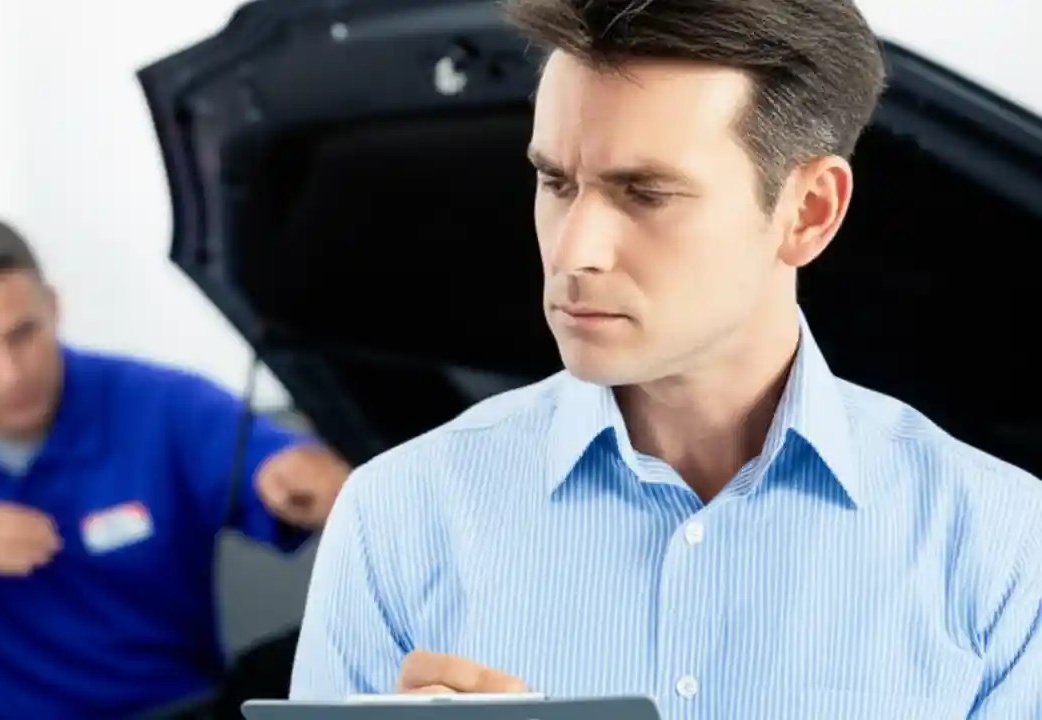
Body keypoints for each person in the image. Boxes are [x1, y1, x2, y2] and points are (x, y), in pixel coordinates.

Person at [289, 0, 1042, 717]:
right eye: (556, 181)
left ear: (809, 211)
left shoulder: (1003, 550)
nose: (574, 251)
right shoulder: (399, 515)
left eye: (645, 193)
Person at [0, 217, 351, 719]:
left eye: (23, 334)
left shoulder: (159, 405)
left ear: (53, 308)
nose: (9, 373)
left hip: (176, 710)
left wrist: (310, 478)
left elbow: (303, 473)